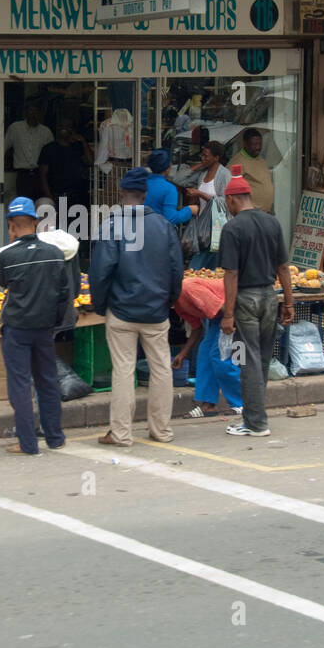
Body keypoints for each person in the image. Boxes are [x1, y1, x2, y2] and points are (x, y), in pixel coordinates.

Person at [90, 167, 184, 447]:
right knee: (161, 369)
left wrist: (101, 304)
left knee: (123, 370)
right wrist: (170, 299)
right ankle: (161, 430)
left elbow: (100, 272)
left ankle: (120, 434)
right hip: (156, 310)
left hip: (121, 310)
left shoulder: (111, 225)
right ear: (145, 195)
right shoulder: (164, 225)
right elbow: (176, 269)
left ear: (121, 193)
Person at [218, 171, 294, 438]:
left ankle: (256, 423)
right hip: (270, 298)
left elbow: (231, 274)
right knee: (260, 359)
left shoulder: (233, 228)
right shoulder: (272, 222)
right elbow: (283, 267)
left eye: (227, 202)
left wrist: (227, 314)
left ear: (232, 200)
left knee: (245, 361)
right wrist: (289, 303)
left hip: (245, 303)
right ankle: (254, 415)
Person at [0, 197, 70, 455]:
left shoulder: (6, 256)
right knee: (47, 382)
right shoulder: (55, 254)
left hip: (17, 328)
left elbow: (3, 283)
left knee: (20, 385)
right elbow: (64, 294)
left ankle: (27, 443)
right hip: (44, 328)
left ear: (11, 226)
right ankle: (55, 437)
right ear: (36, 223)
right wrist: (54, 323)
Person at [171, 275, 242, 419]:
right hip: (218, 318)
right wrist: (183, 354)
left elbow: (222, 309)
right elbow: (197, 328)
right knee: (204, 354)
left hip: (230, 312)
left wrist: (231, 325)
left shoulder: (189, 289)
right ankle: (208, 405)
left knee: (220, 357)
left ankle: (242, 402)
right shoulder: (177, 304)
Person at [180, 141, 233, 270]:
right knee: (207, 269)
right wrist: (198, 166)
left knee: (200, 267)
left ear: (216, 158)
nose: (202, 158)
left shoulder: (225, 174)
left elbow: (227, 202)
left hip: (217, 230)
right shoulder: (202, 173)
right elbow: (179, 179)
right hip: (203, 229)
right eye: (202, 155)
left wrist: (200, 193)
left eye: (206, 156)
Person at [38, 116, 92, 210]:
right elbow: (43, 175)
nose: (64, 128)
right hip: (57, 196)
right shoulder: (49, 148)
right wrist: (50, 198)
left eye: (68, 126)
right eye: (61, 125)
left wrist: (83, 141)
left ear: (73, 129)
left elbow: (90, 161)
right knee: (60, 224)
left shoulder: (77, 147)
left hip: (78, 197)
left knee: (78, 224)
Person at [6, 104, 54, 201]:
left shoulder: (46, 132)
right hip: (23, 175)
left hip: (40, 176)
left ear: (40, 114)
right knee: (25, 206)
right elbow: (4, 147)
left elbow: (52, 155)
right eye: (30, 111)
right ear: (25, 113)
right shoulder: (15, 128)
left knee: (40, 206)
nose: (33, 114)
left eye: (36, 111)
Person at [143, 149, 197, 226]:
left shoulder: (141, 183)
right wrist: (190, 210)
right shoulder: (169, 189)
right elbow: (170, 218)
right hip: (158, 232)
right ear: (169, 167)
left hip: (139, 231)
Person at [229, 128, 274, 213]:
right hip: (250, 214)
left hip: (265, 212)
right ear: (245, 144)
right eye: (254, 144)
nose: (257, 147)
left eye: (260, 144)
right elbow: (229, 189)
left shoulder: (261, 160)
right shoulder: (237, 162)